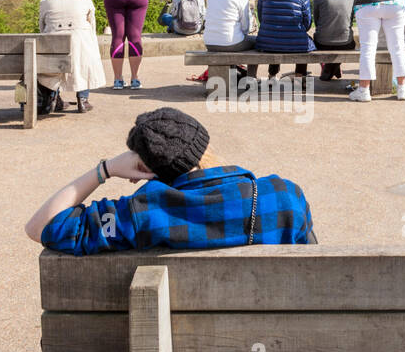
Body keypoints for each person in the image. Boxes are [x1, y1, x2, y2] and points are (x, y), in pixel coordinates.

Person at [24, 107, 316, 255]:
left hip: (180, 341)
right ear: (204, 143)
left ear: (147, 170)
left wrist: (106, 169)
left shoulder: (141, 212)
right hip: (276, 334)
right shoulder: (284, 195)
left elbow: (39, 227)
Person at [37, 0, 105, 114]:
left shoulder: (46, 2)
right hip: (80, 50)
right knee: (84, 54)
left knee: (53, 59)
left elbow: (42, 29)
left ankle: (54, 97)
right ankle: (83, 99)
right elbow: (92, 29)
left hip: (54, 54)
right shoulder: (85, 0)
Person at [255, 0, 314, 83]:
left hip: (268, 42)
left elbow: (262, 19)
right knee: (304, 41)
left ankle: (272, 76)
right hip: (296, 43)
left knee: (273, 33)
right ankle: (299, 77)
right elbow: (307, 23)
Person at [203, 0, 259, 80]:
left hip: (209, 42)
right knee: (258, 42)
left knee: (235, 38)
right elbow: (246, 28)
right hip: (230, 43)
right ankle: (251, 78)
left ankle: (233, 75)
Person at [312, 0, 356, 81]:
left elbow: (317, 21)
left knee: (317, 39)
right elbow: (350, 20)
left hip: (322, 42)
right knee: (349, 43)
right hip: (346, 43)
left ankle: (329, 68)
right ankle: (333, 67)